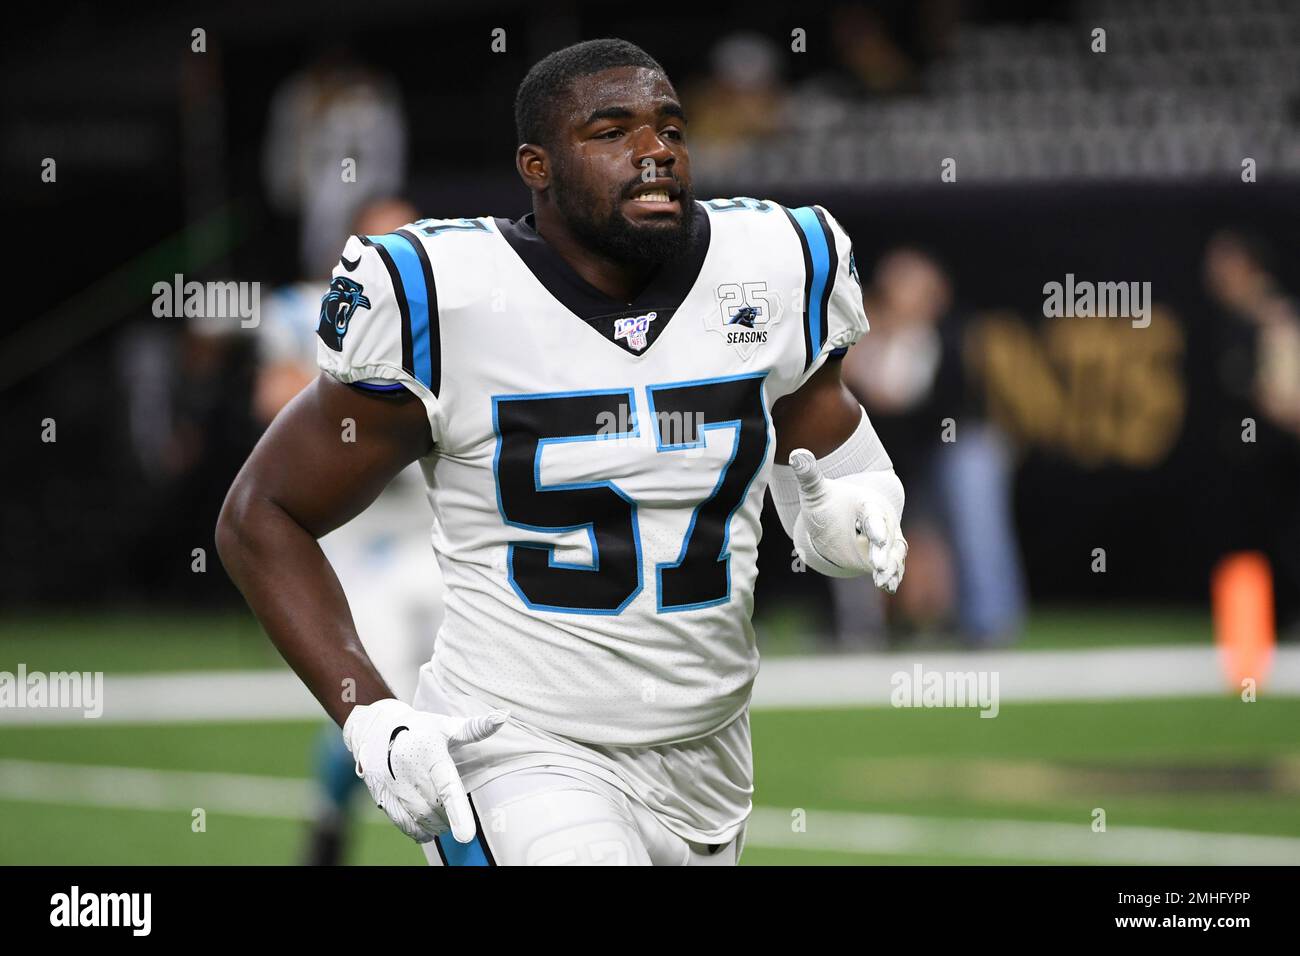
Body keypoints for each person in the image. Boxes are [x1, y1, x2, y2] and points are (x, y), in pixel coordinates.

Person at [217, 38, 907, 867]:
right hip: (518, 751)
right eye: (611, 131)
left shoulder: (772, 266)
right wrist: (368, 712)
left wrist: (856, 500)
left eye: (670, 128)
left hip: (710, 760)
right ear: (536, 166)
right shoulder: (451, 296)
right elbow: (262, 512)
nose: (654, 151)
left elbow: (826, 445)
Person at [255, 198, 444, 865]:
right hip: (362, 544)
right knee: (371, 701)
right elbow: (275, 399)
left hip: (440, 536)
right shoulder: (312, 311)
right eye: (384, 241)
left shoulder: (449, 312)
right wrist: (356, 386)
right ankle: (329, 827)